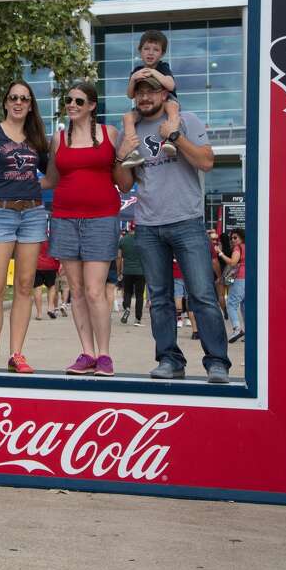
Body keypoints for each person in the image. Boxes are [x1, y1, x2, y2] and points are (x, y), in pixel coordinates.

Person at [117, 75, 231, 383]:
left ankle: (217, 362)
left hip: (187, 222)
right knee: (160, 298)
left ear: (164, 93)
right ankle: (169, 359)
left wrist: (176, 136)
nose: (145, 96)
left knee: (203, 295)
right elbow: (126, 184)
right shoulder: (130, 130)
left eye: (151, 90)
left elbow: (207, 162)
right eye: (139, 92)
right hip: (148, 225)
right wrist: (122, 154)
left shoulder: (186, 119)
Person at [39, 82, 135, 376]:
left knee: (95, 291)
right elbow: (51, 180)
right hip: (64, 218)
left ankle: (104, 355)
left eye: (79, 101)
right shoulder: (59, 138)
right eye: (68, 100)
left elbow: (126, 184)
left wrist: (119, 157)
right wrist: (13, 182)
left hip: (101, 218)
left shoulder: (110, 134)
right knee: (77, 291)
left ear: (92, 105)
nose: (72, 105)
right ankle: (87, 353)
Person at [0, 81, 50, 373]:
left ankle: (17, 353)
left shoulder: (37, 137)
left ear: (30, 105)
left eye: (24, 99)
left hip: (32, 215)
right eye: (13, 98)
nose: (18, 103)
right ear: (5, 102)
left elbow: (51, 174)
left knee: (26, 286)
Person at [119, 29, 181, 168]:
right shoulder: (137, 71)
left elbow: (170, 85)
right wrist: (133, 79)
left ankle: (170, 138)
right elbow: (130, 95)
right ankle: (133, 152)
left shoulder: (163, 67)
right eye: (146, 49)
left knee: (172, 107)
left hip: (167, 100)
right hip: (144, 105)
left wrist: (153, 72)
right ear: (140, 51)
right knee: (128, 117)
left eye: (155, 49)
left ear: (162, 53)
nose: (150, 52)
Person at [218, 229, 247, 343]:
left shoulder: (238, 248)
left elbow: (233, 262)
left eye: (235, 237)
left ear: (241, 237)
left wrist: (220, 253)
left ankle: (237, 328)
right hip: (248, 277)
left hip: (239, 277)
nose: (233, 240)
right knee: (244, 306)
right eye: (231, 238)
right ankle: (249, 333)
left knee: (231, 303)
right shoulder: (248, 246)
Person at [118, 224, 146, 326]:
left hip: (127, 271)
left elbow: (119, 257)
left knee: (127, 292)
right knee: (139, 295)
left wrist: (119, 271)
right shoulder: (143, 240)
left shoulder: (123, 240)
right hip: (141, 271)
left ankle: (127, 308)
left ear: (130, 228)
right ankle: (137, 319)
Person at [33, 237, 61, 320]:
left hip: (37, 264)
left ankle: (39, 314)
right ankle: (50, 308)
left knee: (37, 288)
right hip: (51, 264)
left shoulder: (37, 234)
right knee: (51, 286)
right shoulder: (54, 234)